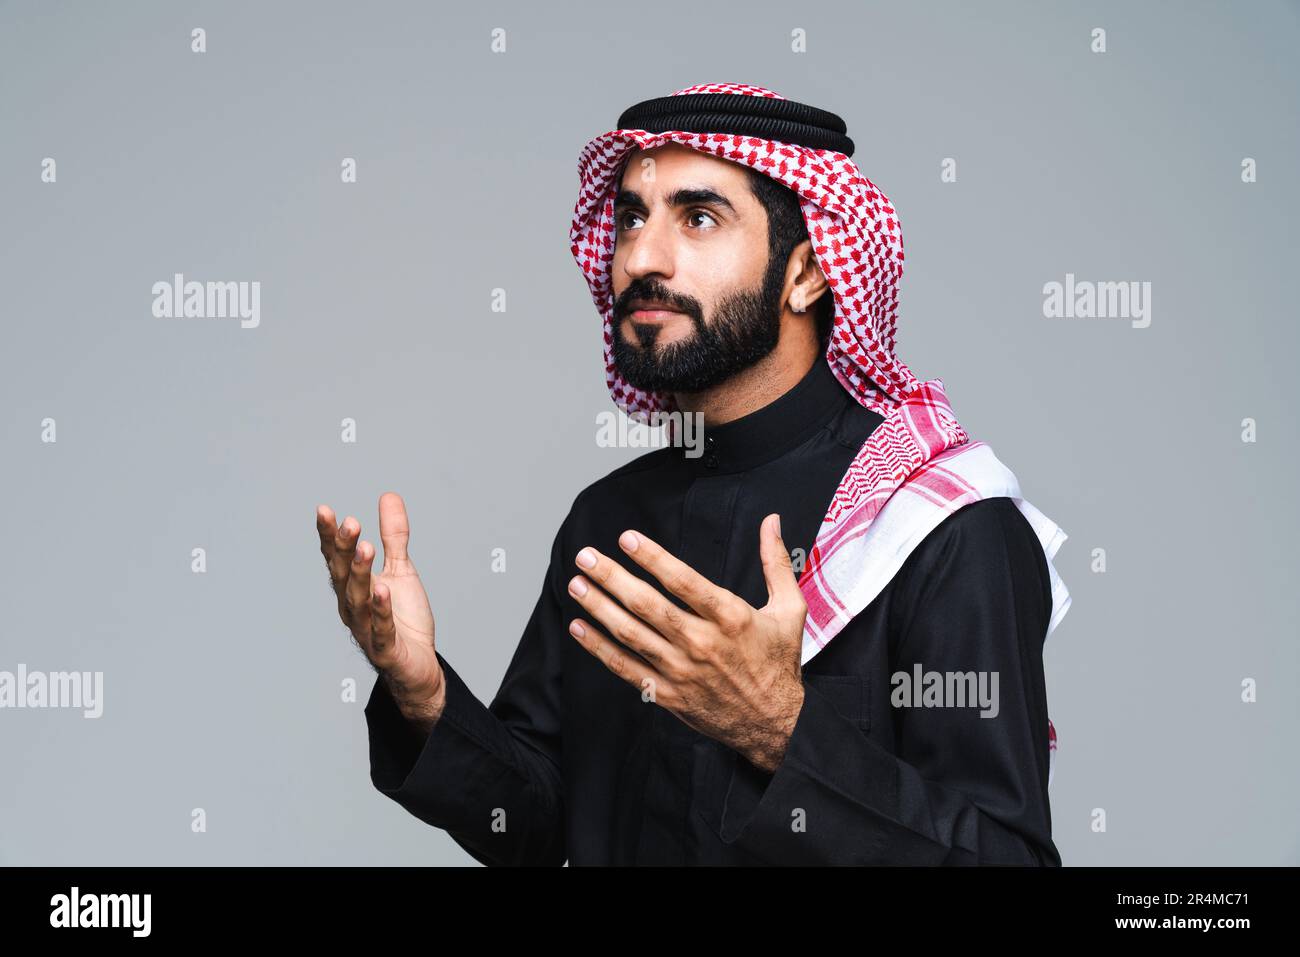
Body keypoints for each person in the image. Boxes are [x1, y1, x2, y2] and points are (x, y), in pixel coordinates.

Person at [315, 83, 1071, 865]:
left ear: (807, 274)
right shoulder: (608, 520)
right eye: (634, 216)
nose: (641, 256)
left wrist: (783, 730)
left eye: (699, 217)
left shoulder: (939, 529)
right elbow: (538, 821)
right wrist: (425, 697)